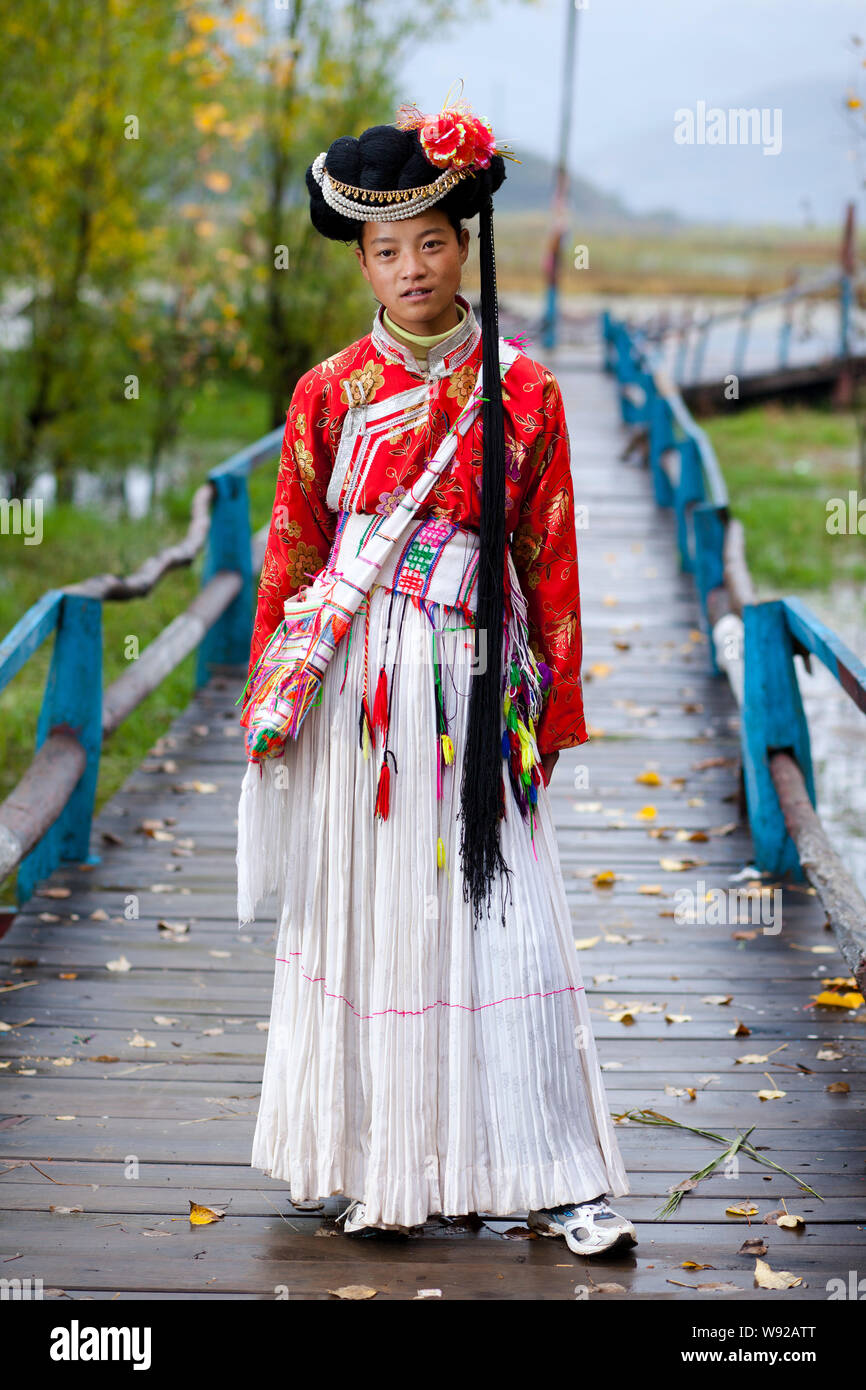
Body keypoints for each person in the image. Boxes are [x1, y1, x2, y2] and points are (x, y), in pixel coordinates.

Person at [235, 95, 637, 1259]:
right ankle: (375, 1161)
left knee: (506, 926)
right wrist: (276, 698)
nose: (410, 266)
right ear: (359, 259)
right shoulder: (328, 394)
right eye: (385, 248)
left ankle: (555, 1171)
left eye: (431, 241)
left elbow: (545, 558)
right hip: (363, 692)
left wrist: (548, 713)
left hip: (472, 689)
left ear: (463, 245)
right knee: (370, 924)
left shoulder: (526, 391)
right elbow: (295, 556)